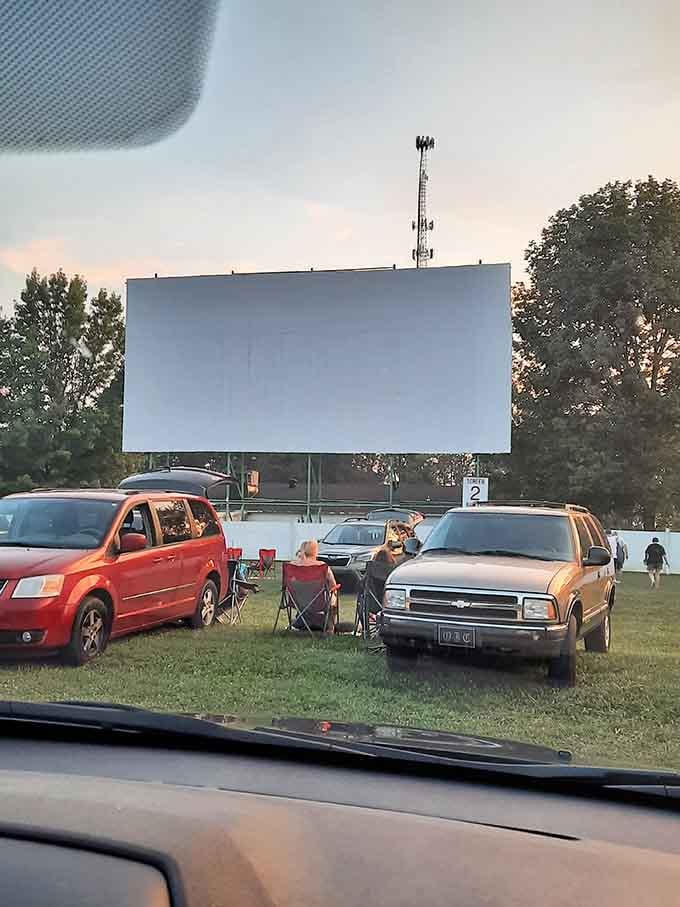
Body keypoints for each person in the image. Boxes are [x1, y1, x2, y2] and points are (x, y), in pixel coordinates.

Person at [290, 540, 339, 629]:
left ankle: (302, 620)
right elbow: (333, 586)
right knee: (334, 596)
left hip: (297, 601)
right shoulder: (322, 566)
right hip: (319, 602)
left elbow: (289, 584)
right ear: (315, 552)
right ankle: (330, 627)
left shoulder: (292, 566)